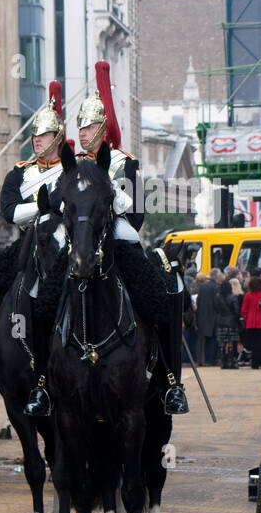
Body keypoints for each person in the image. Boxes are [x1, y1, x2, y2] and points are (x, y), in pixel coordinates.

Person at [76, 60, 188, 416]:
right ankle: (42, 380)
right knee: (40, 296)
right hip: (80, 241)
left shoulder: (125, 164)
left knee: (162, 295)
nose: (82, 132)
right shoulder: (74, 164)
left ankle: (171, 382)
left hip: (119, 240)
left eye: (90, 125)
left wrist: (109, 189)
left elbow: (137, 214)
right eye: (80, 125)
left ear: (103, 127)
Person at [0, 80, 67, 416]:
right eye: (35, 136)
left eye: (43, 135)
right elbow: (9, 211)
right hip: (26, 245)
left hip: (66, 244)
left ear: (57, 137)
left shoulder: (73, 170)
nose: (37, 140)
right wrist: (45, 207)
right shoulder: (20, 173)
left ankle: (162, 375)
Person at [215, 276, 244, 369]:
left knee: (222, 343)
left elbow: (215, 308)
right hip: (231, 322)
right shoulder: (232, 297)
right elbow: (236, 311)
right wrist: (236, 318)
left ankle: (223, 362)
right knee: (230, 342)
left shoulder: (217, 296)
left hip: (220, 321)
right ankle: (230, 361)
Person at [195, 268, 220, 366]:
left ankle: (206, 359)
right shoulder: (217, 287)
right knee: (213, 339)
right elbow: (217, 303)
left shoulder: (203, 287)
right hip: (214, 316)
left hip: (203, 315)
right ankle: (211, 359)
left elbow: (199, 301)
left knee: (206, 339)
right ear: (217, 276)